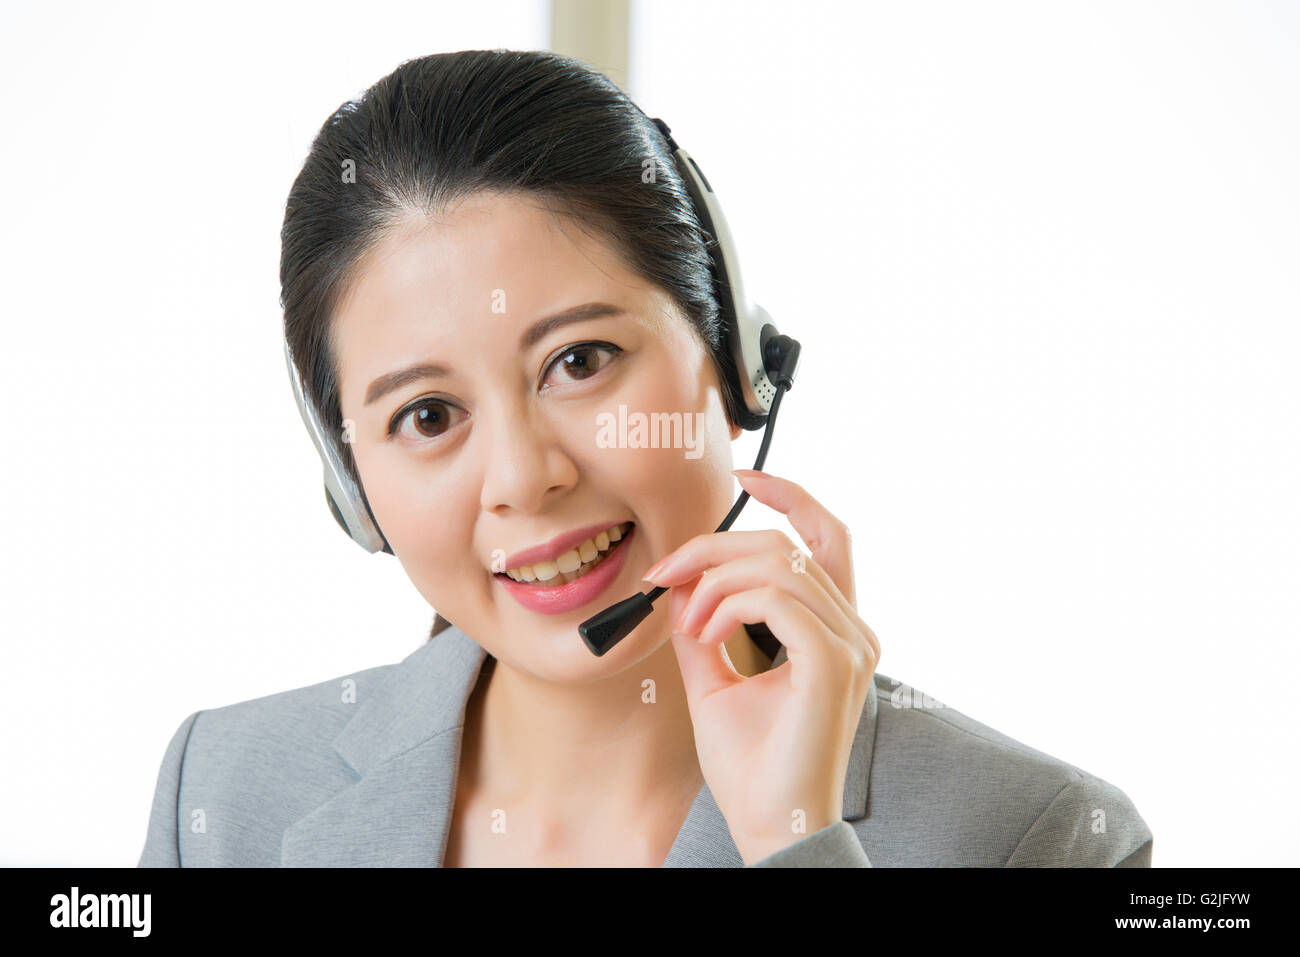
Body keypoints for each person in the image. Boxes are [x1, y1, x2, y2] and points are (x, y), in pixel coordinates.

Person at [137, 49, 1152, 867]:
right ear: (354, 491)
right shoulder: (226, 796)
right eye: (429, 416)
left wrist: (796, 841)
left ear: (731, 363)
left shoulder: (1034, 837)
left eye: (580, 361)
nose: (523, 478)